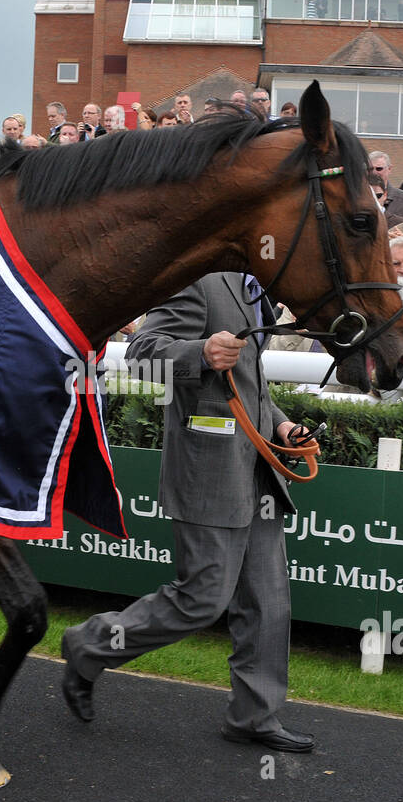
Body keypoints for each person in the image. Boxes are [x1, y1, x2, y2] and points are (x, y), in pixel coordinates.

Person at [61, 273, 315, 753]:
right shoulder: (201, 282)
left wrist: (282, 425)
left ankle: (254, 717)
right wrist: (198, 352)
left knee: (268, 604)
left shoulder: (252, 289)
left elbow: (247, 384)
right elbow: (140, 355)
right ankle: (91, 644)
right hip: (208, 473)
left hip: (258, 473)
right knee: (202, 599)